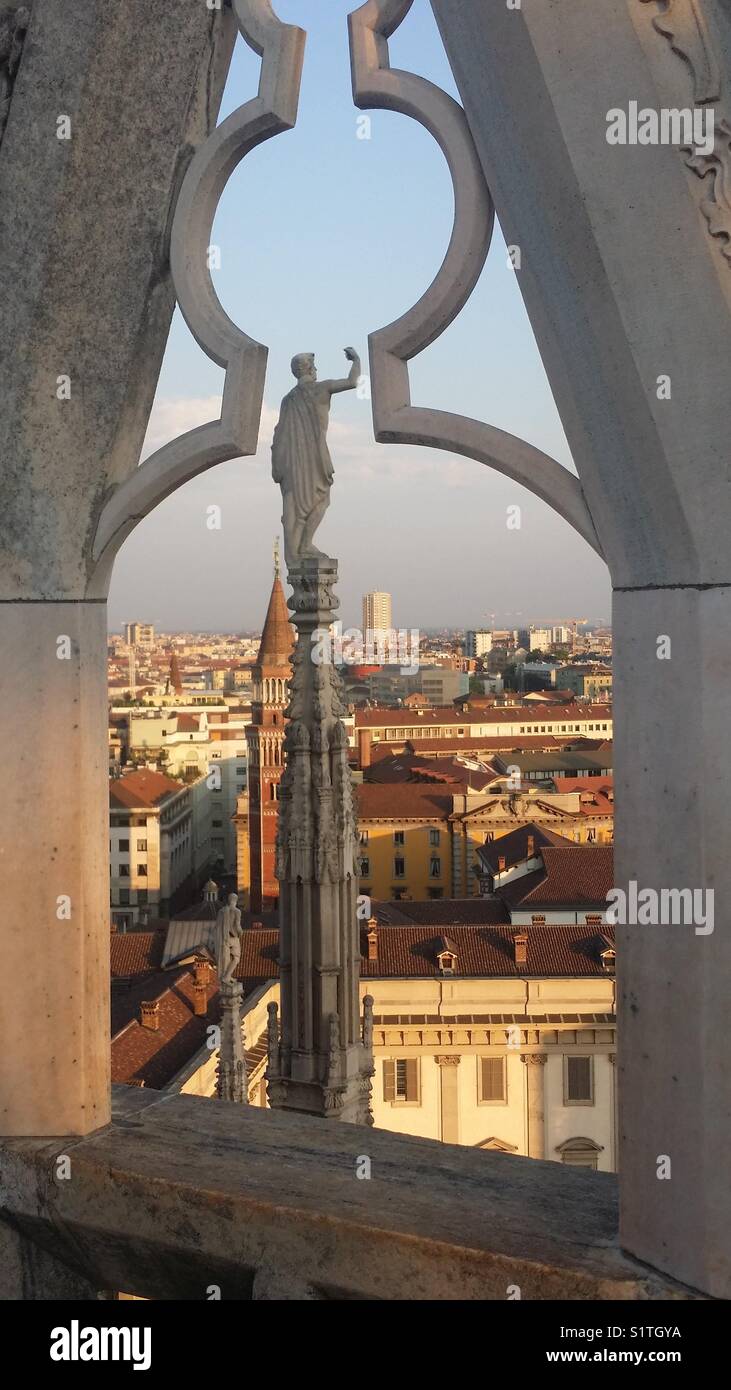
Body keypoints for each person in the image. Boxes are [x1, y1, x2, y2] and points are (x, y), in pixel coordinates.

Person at [272, 347, 361, 567]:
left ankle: (300, 548)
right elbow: (352, 382)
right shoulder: (323, 388)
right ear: (310, 369)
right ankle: (305, 545)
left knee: (299, 506)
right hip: (316, 458)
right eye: (315, 366)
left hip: (294, 463)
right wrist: (356, 360)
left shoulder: (287, 400)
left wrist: (278, 466)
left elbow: (279, 433)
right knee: (322, 499)